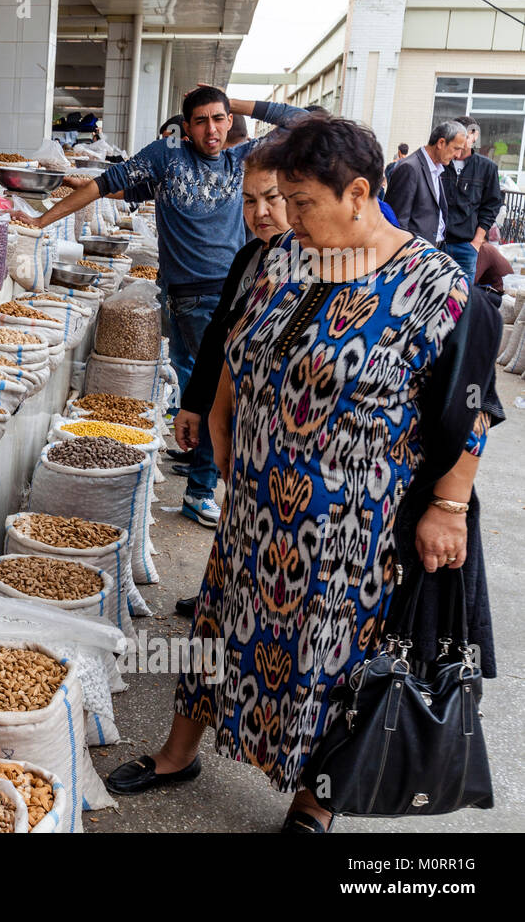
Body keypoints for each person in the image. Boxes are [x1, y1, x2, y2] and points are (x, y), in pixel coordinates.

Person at [105, 113, 502, 833]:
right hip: (254, 506)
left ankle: (315, 799)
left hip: (347, 524)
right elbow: (238, 342)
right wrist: (220, 429)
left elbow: (472, 411)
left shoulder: (435, 289)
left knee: (328, 663)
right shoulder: (285, 258)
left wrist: (449, 504)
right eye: (282, 201)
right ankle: (177, 753)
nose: (287, 217)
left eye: (302, 202)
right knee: (221, 634)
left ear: (358, 194)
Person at [16, 85, 305, 527]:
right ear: (185, 128)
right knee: (210, 392)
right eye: (201, 120)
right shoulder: (168, 154)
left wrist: (233, 101)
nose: (212, 128)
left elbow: (301, 121)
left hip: (225, 291)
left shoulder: (241, 159)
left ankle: (199, 470)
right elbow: (106, 184)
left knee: (204, 386)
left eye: (220, 118)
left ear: (230, 121)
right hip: (186, 294)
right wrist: (39, 220)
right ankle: (202, 488)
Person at [170, 146, 293, 616]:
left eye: (273, 198)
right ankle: (217, 598)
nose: (260, 212)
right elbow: (221, 334)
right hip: (234, 416)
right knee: (235, 515)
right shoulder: (249, 257)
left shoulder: (315, 265)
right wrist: (194, 404)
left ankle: (231, 605)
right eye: (248, 200)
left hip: (272, 428)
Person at [383, 120, 467, 247]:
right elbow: (396, 222)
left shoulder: (437, 168)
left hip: (433, 250)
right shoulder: (410, 168)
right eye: (456, 149)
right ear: (441, 143)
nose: (458, 155)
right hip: (413, 255)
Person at [441, 115, 503, 281]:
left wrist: (476, 242)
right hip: (437, 244)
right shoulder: (440, 164)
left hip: (466, 246)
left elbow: (492, 204)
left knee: (463, 300)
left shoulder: (487, 167)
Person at [473, 240, 512, 306]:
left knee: (466, 292)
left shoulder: (483, 248)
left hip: (500, 295)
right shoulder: (485, 246)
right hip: (498, 291)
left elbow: (473, 279)